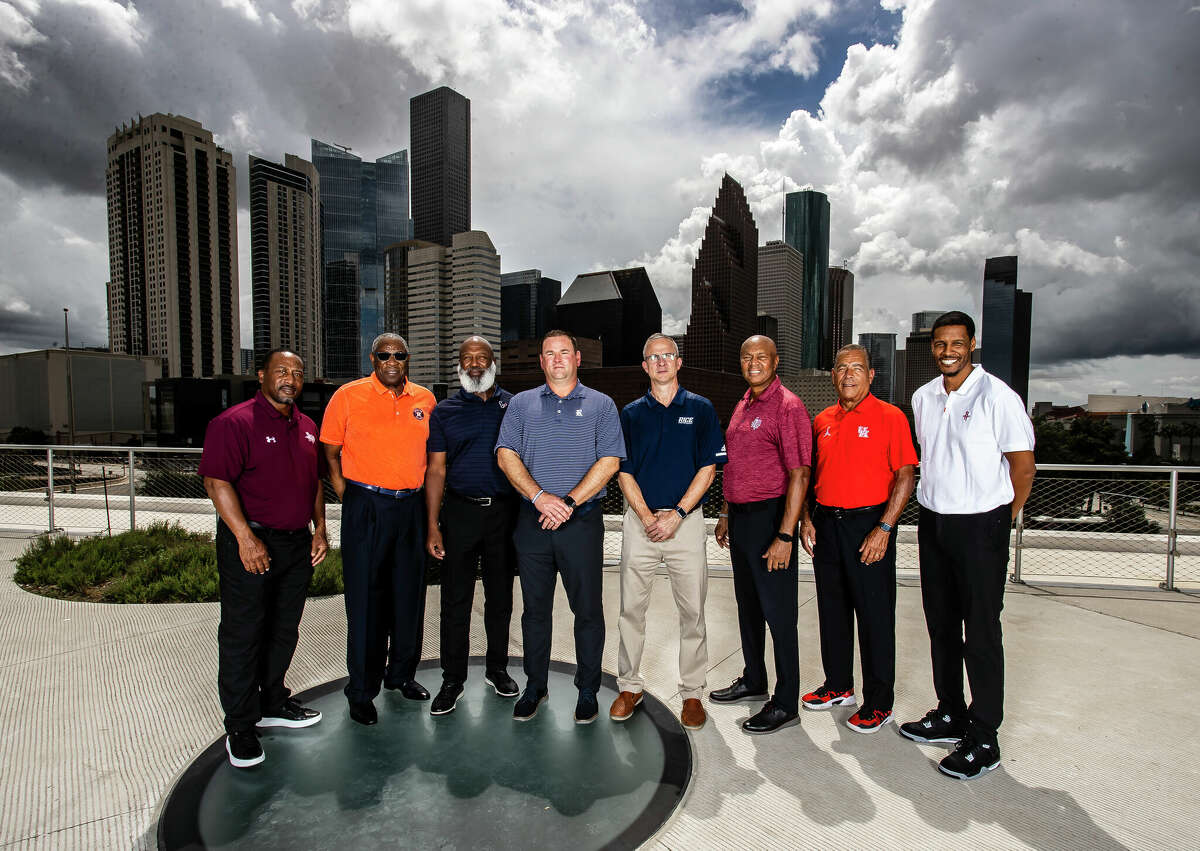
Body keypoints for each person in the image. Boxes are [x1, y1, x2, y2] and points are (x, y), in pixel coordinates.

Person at [899, 311, 1035, 780]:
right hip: (934, 523)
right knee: (940, 626)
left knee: (980, 633)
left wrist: (1003, 520)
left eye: (956, 343)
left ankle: (984, 736)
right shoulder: (922, 396)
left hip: (982, 525)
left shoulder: (998, 396)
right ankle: (950, 712)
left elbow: (1023, 466)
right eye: (940, 344)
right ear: (931, 347)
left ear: (971, 345)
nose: (948, 351)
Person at [199, 349, 328, 768]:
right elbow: (216, 482)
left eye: (296, 372)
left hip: (295, 545)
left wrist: (319, 529)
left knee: (283, 629)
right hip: (251, 541)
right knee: (243, 633)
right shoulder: (234, 422)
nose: (290, 378)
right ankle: (240, 726)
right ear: (262, 376)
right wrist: (244, 538)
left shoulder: (307, 427)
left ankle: (274, 702)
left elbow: (314, 486)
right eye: (281, 371)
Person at [495, 330, 625, 724]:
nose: (557, 359)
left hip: (581, 522)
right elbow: (505, 455)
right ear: (541, 362)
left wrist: (567, 503)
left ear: (578, 358)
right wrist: (540, 497)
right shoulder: (521, 404)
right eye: (549, 354)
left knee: (587, 610)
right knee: (535, 611)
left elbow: (610, 461)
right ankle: (535, 687)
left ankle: (587, 690)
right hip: (532, 520)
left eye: (564, 352)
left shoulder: (601, 405)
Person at [799, 344, 917, 734]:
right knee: (832, 611)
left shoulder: (890, 416)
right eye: (842, 368)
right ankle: (838, 686)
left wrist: (883, 529)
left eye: (857, 368)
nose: (848, 375)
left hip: (869, 525)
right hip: (826, 523)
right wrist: (806, 520)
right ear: (833, 375)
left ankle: (879, 702)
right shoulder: (823, 420)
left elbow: (904, 476)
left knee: (874, 616)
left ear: (871, 375)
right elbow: (809, 477)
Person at [321, 333, 436, 726]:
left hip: (412, 506)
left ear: (407, 360)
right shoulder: (348, 395)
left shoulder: (425, 400)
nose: (391, 360)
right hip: (365, 505)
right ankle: (362, 689)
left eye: (399, 355)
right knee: (366, 601)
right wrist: (347, 494)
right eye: (384, 354)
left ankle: (400, 675)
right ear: (373, 358)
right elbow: (331, 452)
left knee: (409, 595)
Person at [611, 333, 724, 731]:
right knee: (631, 611)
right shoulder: (630, 414)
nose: (660, 362)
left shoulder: (701, 409)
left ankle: (692, 693)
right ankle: (630, 686)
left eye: (667, 355)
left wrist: (677, 514)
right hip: (639, 524)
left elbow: (708, 468)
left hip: (686, 524)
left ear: (679, 363)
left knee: (692, 611)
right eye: (652, 357)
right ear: (644, 366)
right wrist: (645, 516)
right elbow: (622, 470)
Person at [710, 335, 812, 734]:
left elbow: (800, 474)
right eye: (747, 356)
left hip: (772, 518)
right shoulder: (743, 404)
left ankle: (786, 702)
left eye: (761, 357)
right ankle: (754, 679)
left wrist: (785, 535)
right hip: (741, 519)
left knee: (779, 615)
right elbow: (733, 466)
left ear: (776, 361)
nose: (753, 363)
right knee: (748, 607)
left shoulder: (788, 406)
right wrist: (724, 512)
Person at [424, 336, 520, 715]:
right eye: (467, 358)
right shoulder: (445, 411)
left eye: (482, 357)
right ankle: (452, 679)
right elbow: (436, 469)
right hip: (459, 513)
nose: (475, 363)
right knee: (455, 600)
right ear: (459, 365)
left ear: (494, 362)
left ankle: (497, 669)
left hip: (505, 514)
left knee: (500, 599)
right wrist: (433, 525)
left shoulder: (515, 406)